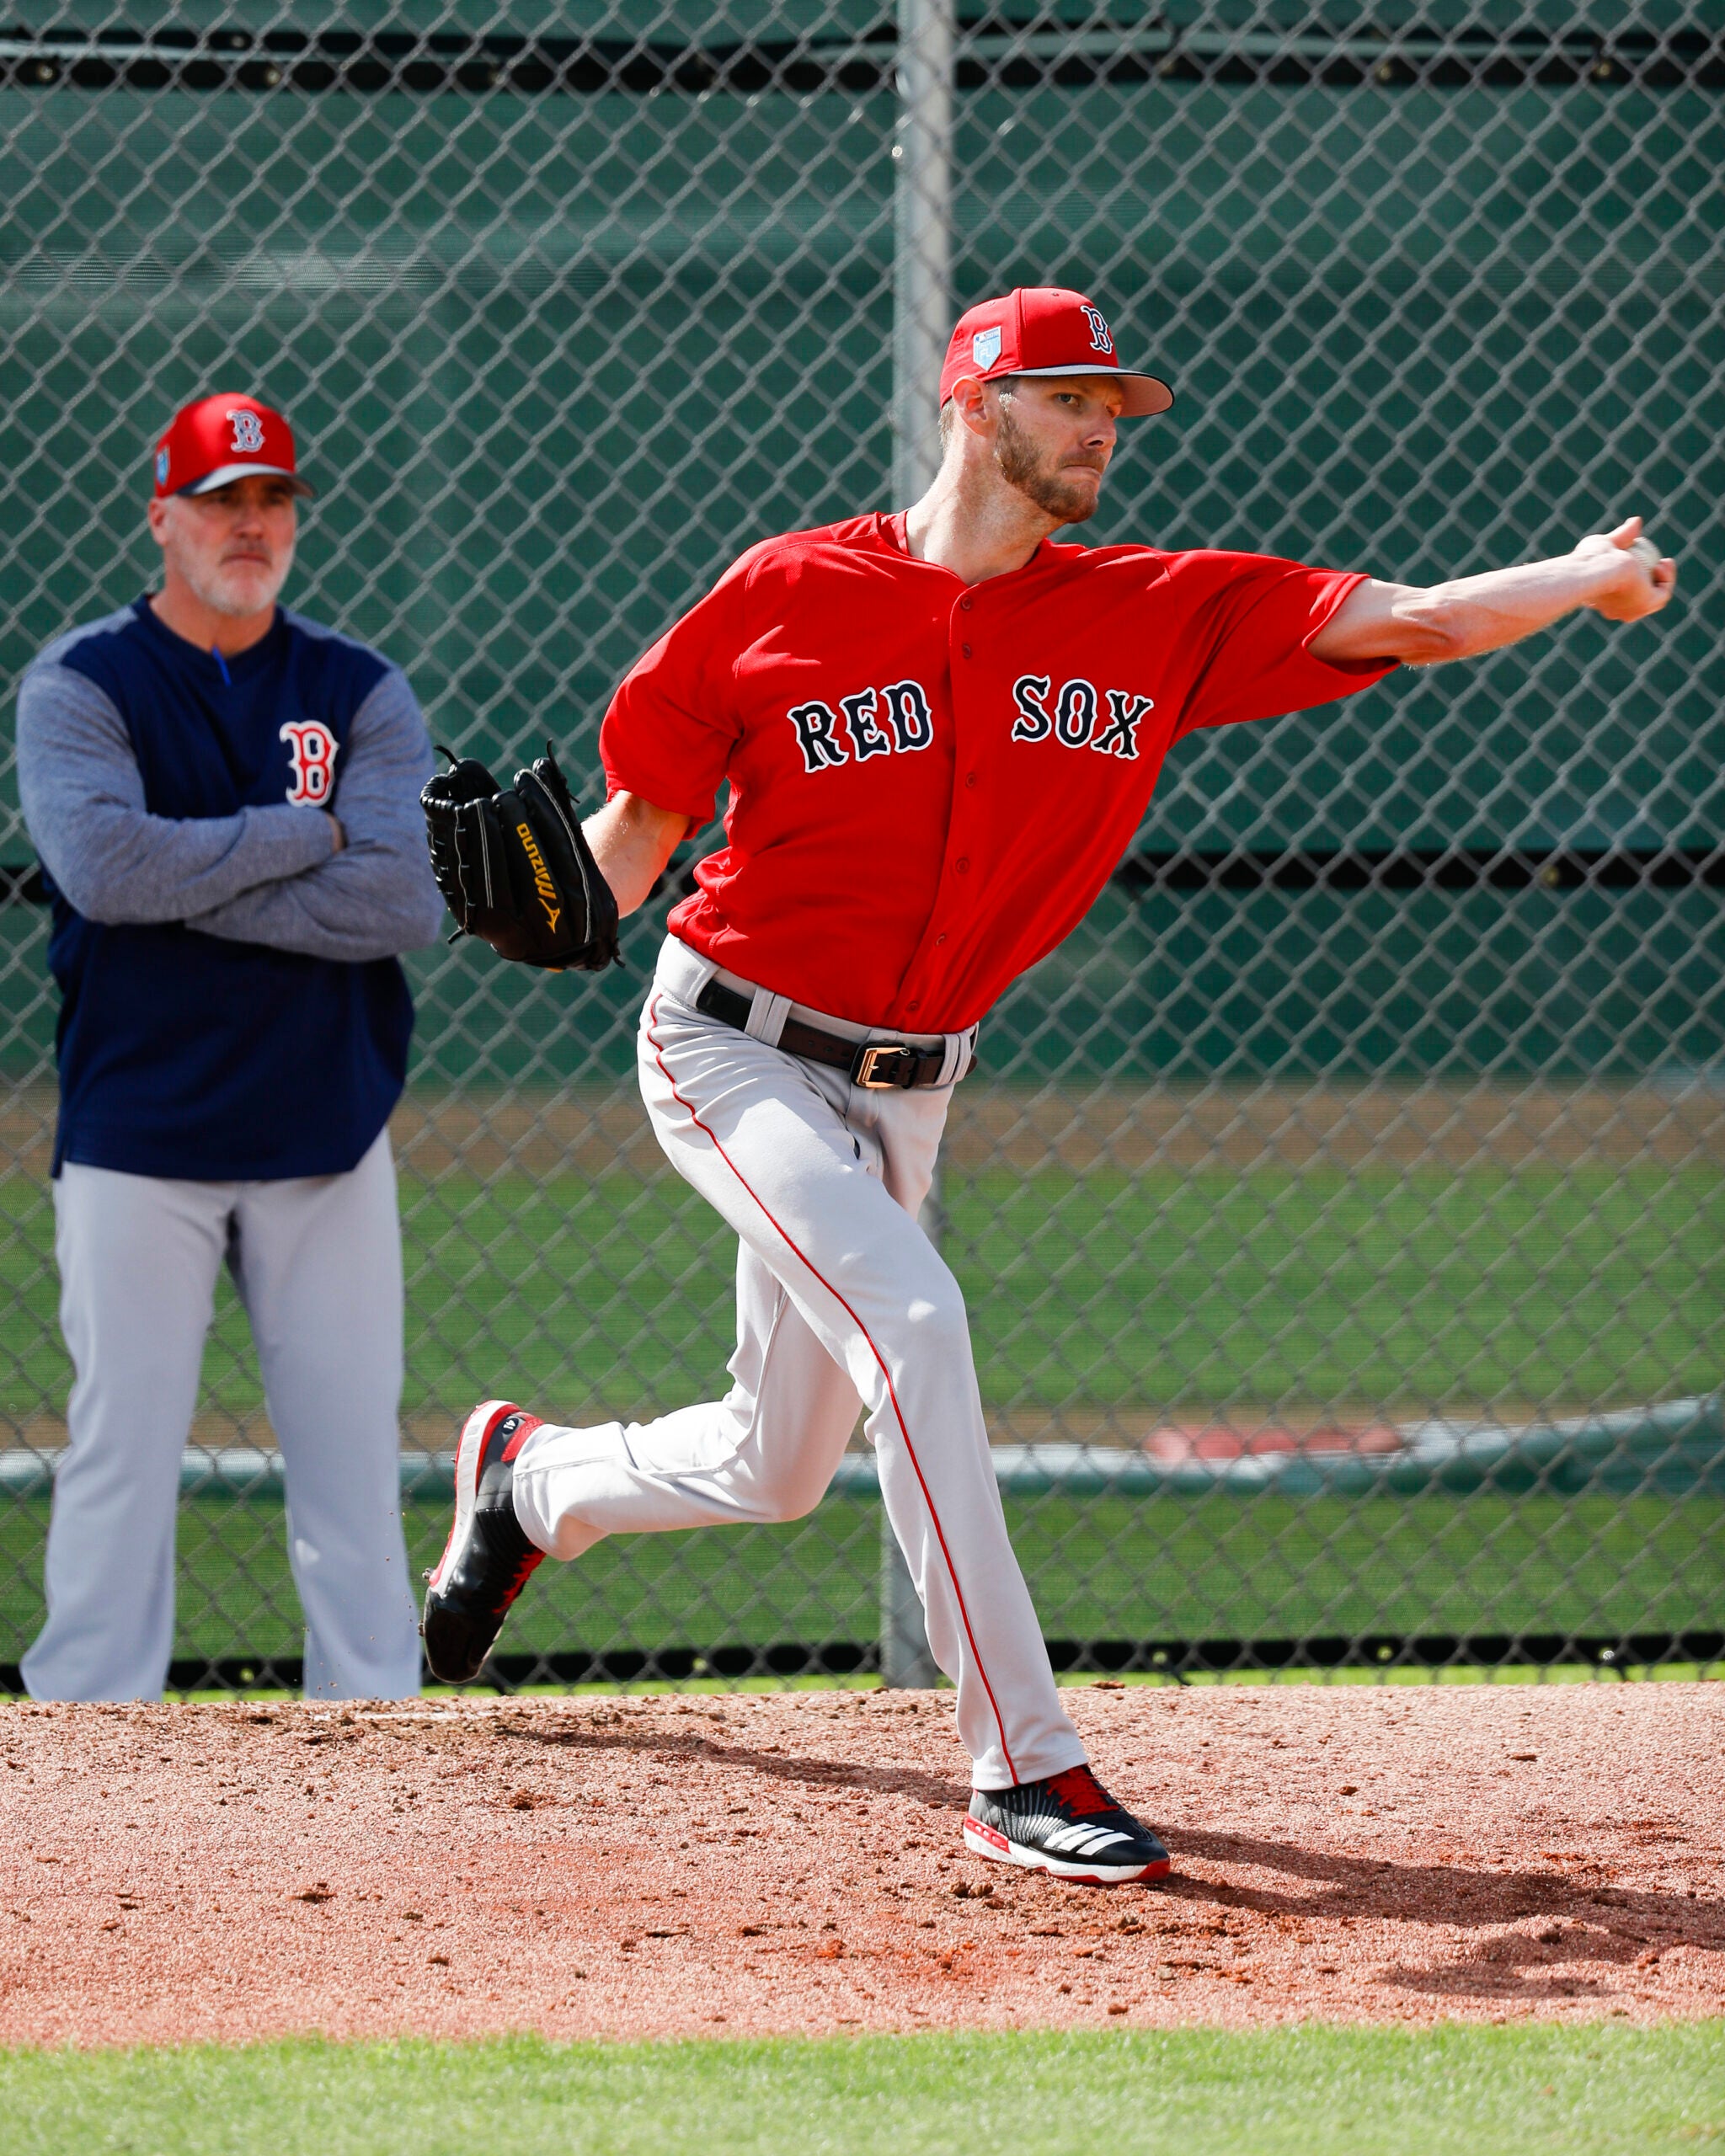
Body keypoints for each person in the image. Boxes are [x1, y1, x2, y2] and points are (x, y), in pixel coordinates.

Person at [421, 286, 1675, 1881]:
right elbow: (636, 831)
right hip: (730, 1042)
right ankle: (1024, 1765)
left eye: (1112, 407)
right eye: (1069, 398)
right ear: (972, 403)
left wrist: (1582, 575)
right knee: (916, 1320)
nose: (1100, 429)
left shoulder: (1156, 613)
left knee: (773, 1463)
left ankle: (530, 1483)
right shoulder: (784, 593)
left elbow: (1418, 618)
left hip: (911, 1084)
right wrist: (559, 911)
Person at [17, 391, 447, 1702]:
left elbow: (406, 899)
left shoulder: (358, 687)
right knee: (122, 1451)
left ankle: (374, 1723)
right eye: (219, 502)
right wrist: (306, 832)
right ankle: (89, 1729)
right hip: (140, 1130)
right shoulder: (83, 682)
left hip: (327, 1125)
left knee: (350, 1462)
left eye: (271, 501)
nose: (249, 524)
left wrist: (187, 870)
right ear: (163, 518)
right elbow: (104, 871)